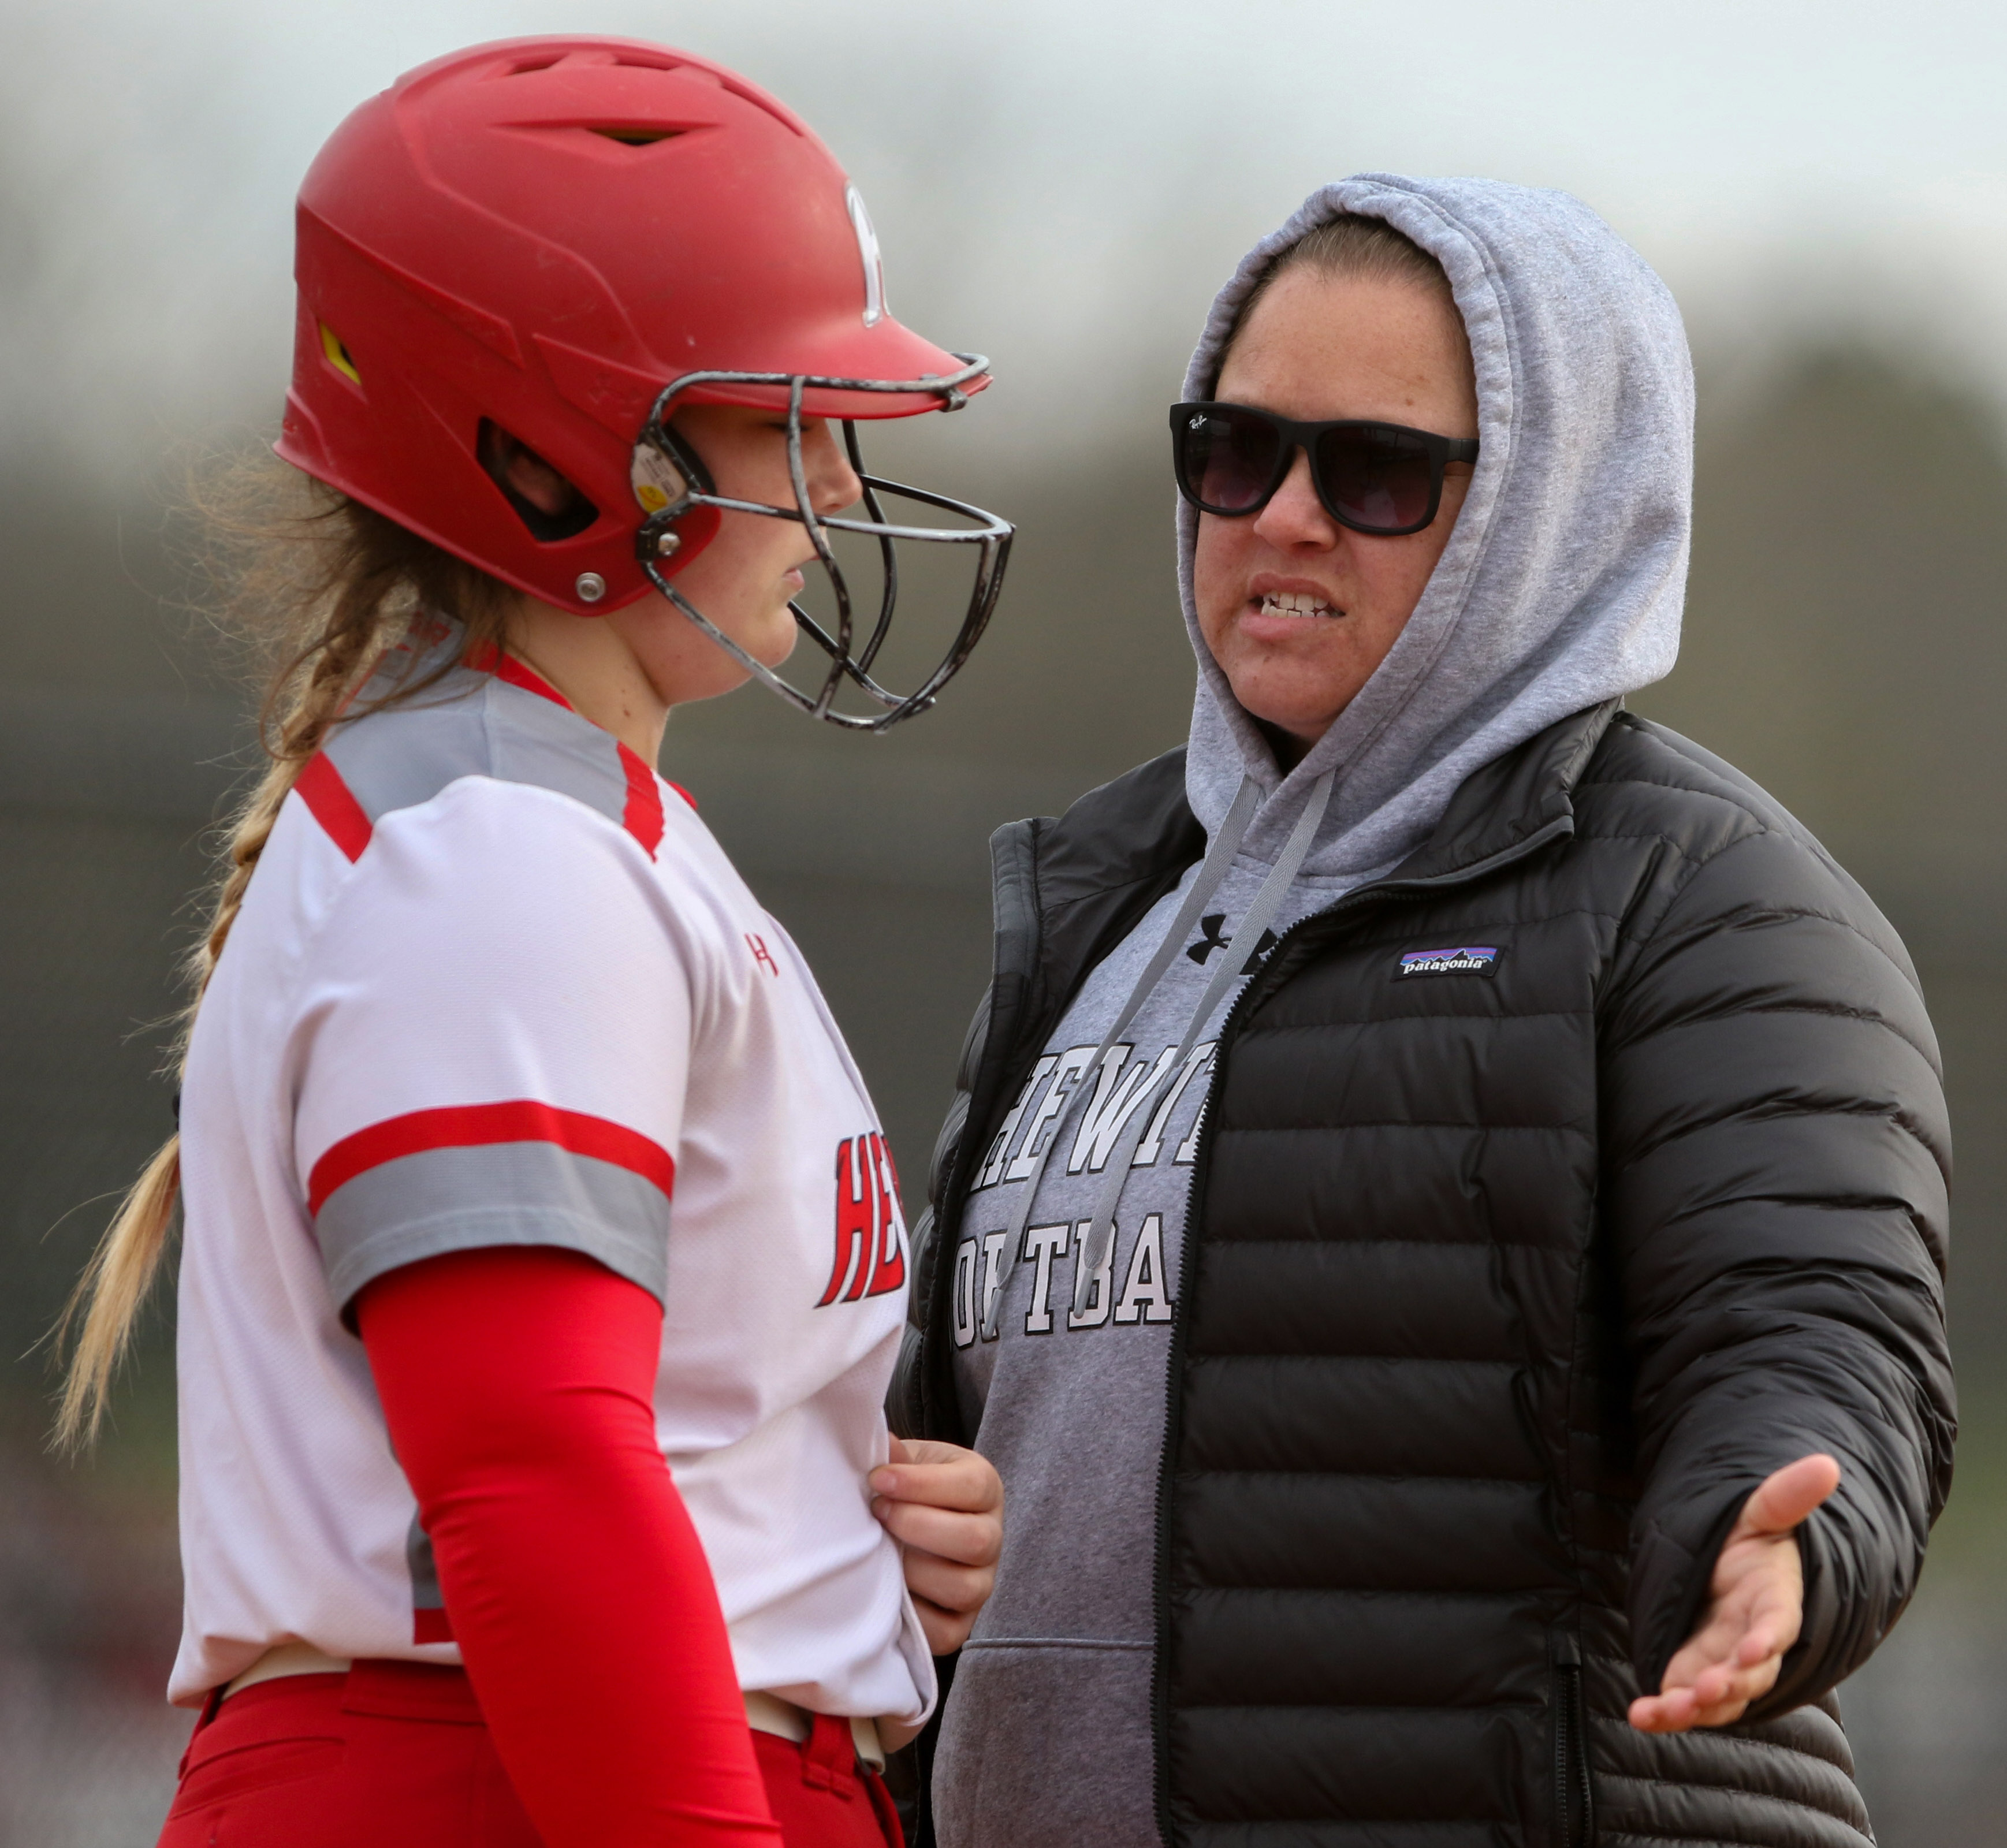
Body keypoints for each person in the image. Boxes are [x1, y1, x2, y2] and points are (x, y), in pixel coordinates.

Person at [893, 176, 1953, 1847]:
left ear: (1553, 506)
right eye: (1234, 450)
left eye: (1377, 473)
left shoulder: (1703, 896)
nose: (1284, 517)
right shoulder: (1093, 899)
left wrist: (1778, 1543)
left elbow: (1814, 1331)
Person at [55, 36, 1009, 1848]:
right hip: (494, 1780)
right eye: (774, 417)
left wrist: (825, 1543)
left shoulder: (554, 826)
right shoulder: (498, 852)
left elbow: (611, 1454)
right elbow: (534, 1479)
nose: (824, 487)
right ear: (558, 450)